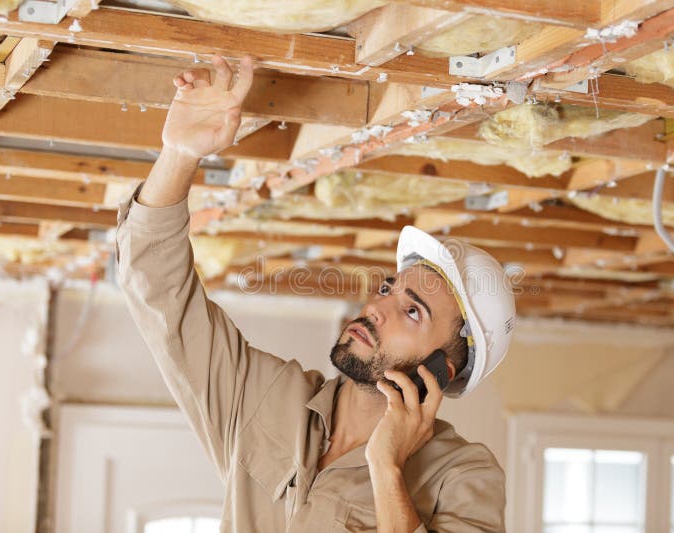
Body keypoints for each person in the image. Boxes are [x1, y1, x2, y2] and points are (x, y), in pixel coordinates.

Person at [116, 54, 517, 532]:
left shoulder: (461, 476)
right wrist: (179, 155)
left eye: (412, 311)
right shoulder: (264, 400)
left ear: (441, 369)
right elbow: (157, 289)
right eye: (390, 288)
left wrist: (386, 465)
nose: (376, 308)